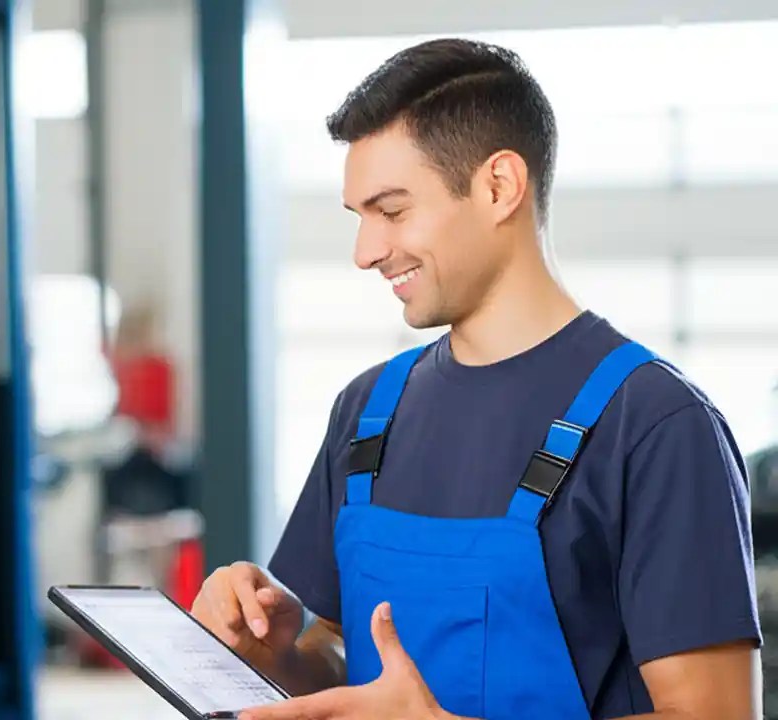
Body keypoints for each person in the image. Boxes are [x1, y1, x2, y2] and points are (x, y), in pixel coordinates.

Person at [191, 38, 762, 720]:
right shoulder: (366, 411)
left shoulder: (656, 425)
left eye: (392, 211)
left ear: (499, 187)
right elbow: (344, 655)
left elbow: (713, 713)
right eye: (360, 218)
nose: (366, 252)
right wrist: (274, 655)